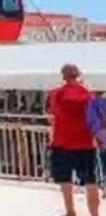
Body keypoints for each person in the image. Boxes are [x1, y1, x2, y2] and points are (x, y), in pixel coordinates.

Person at [48, 63, 100, 216]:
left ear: (63, 76)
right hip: (85, 144)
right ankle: (94, 213)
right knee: (91, 181)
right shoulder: (89, 95)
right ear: (78, 75)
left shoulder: (55, 94)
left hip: (62, 142)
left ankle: (70, 210)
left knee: (65, 180)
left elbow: (53, 113)